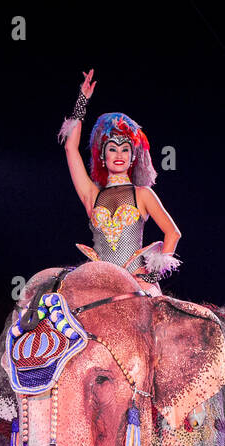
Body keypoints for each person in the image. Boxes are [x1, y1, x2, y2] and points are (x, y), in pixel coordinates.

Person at [60, 69, 181, 294]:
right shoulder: (92, 195)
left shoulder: (142, 194)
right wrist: (82, 100)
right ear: (103, 158)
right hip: (98, 284)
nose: (119, 154)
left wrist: (152, 274)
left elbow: (172, 233)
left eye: (125, 150)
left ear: (133, 157)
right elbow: (70, 147)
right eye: (112, 149)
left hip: (137, 286)